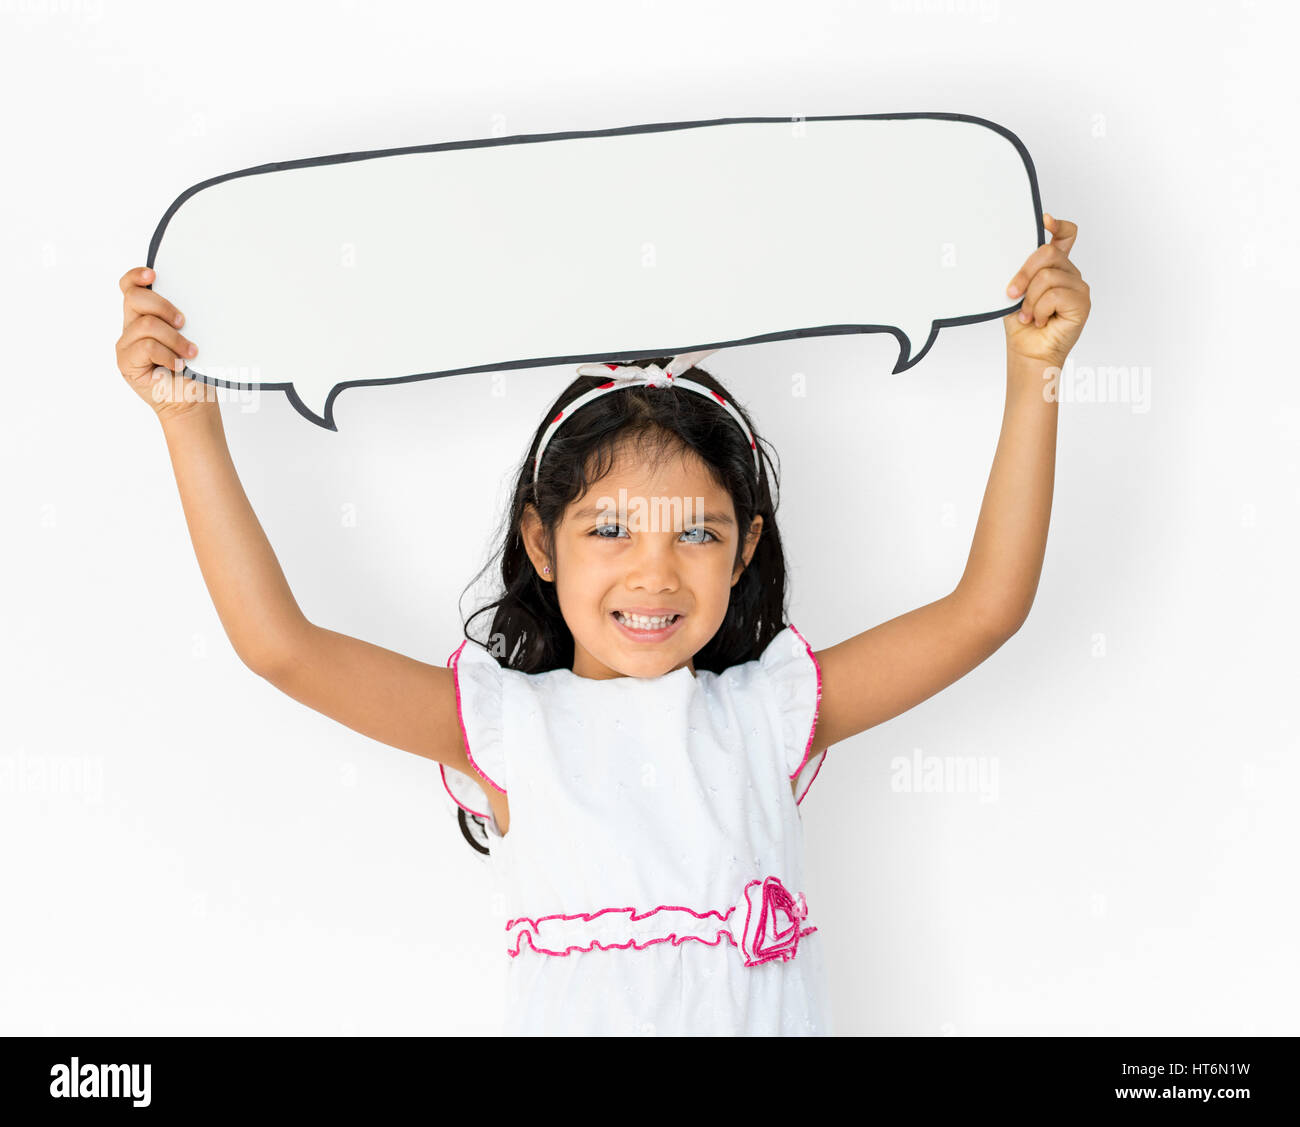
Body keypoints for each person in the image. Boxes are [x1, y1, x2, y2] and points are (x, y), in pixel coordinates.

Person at [114, 212, 1091, 1035]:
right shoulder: (506, 727)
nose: (652, 570)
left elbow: (984, 608)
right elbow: (277, 645)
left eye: (697, 533)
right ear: (542, 543)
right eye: (611, 527)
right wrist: (186, 419)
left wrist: (1034, 371)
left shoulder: (766, 715)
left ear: (745, 548)